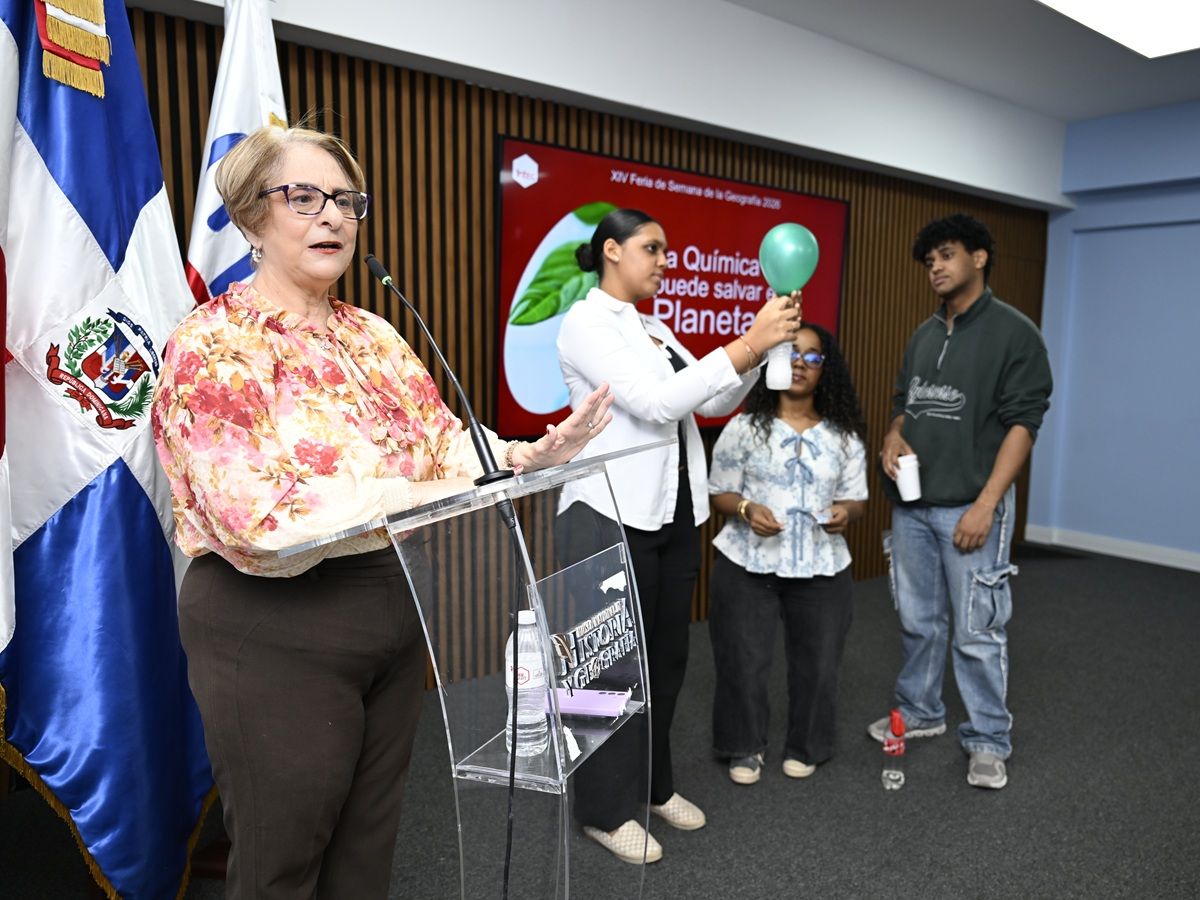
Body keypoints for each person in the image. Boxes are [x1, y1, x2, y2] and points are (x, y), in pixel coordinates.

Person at [151, 124, 613, 899]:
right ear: (251, 215)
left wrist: (530, 454)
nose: (332, 216)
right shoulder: (211, 347)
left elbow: (441, 445)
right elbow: (262, 520)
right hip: (273, 623)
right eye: (304, 197)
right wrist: (425, 493)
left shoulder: (375, 334)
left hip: (392, 601)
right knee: (283, 858)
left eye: (346, 200)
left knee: (368, 846)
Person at [555, 208, 799, 863]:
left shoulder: (656, 328)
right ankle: (604, 811)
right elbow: (657, 403)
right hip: (607, 514)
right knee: (604, 669)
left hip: (672, 515)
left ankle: (653, 787)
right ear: (612, 250)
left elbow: (712, 402)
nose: (665, 260)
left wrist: (760, 350)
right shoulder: (585, 323)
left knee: (664, 661)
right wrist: (746, 344)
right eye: (652, 248)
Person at [870, 213, 1052, 790]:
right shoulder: (925, 334)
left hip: (971, 505)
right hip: (913, 506)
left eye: (947, 255)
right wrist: (894, 434)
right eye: (930, 261)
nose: (936, 268)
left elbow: (1023, 425)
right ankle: (921, 711)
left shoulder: (1014, 332)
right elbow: (907, 403)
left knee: (978, 631)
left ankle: (988, 740)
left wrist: (987, 504)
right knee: (918, 620)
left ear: (979, 258)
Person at [708, 323, 868, 785]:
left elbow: (858, 499)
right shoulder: (745, 426)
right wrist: (744, 508)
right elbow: (719, 492)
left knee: (819, 664)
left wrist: (845, 513)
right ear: (775, 364)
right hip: (747, 563)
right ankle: (744, 745)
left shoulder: (844, 436)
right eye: (792, 354)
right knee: (742, 659)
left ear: (825, 369)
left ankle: (807, 745)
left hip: (822, 564)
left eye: (814, 357)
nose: (801, 363)